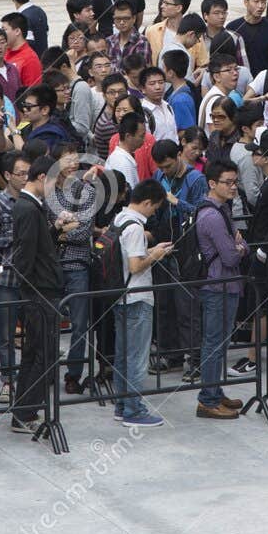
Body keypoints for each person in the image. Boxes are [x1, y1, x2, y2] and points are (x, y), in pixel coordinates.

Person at [10, 157, 76, 434]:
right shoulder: (27, 208)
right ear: (40, 178)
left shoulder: (31, 207)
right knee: (42, 354)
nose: (56, 187)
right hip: (38, 292)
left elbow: (35, 246)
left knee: (36, 353)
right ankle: (25, 412)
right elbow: (24, 255)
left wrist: (56, 229)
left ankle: (24, 410)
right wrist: (30, 293)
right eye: (53, 181)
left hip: (41, 290)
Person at [107, 180, 173, 427]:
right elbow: (135, 266)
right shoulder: (135, 227)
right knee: (137, 358)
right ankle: (134, 411)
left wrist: (152, 249)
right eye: (154, 208)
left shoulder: (119, 218)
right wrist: (155, 255)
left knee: (123, 354)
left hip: (121, 296)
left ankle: (122, 405)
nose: (153, 212)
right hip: (137, 296)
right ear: (146, 202)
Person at [194, 159, 247, 419]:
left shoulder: (222, 209)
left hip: (226, 284)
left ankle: (214, 391)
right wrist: (238, 247)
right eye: (228, 182)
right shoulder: (212, 216)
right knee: (214, 343)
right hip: (218, 286)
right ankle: (208, 399)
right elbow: (231, 256)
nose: (234, 187)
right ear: (212, 183)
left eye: (235, 181)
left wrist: (239, 246)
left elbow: (240, 244)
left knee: (221, 342)